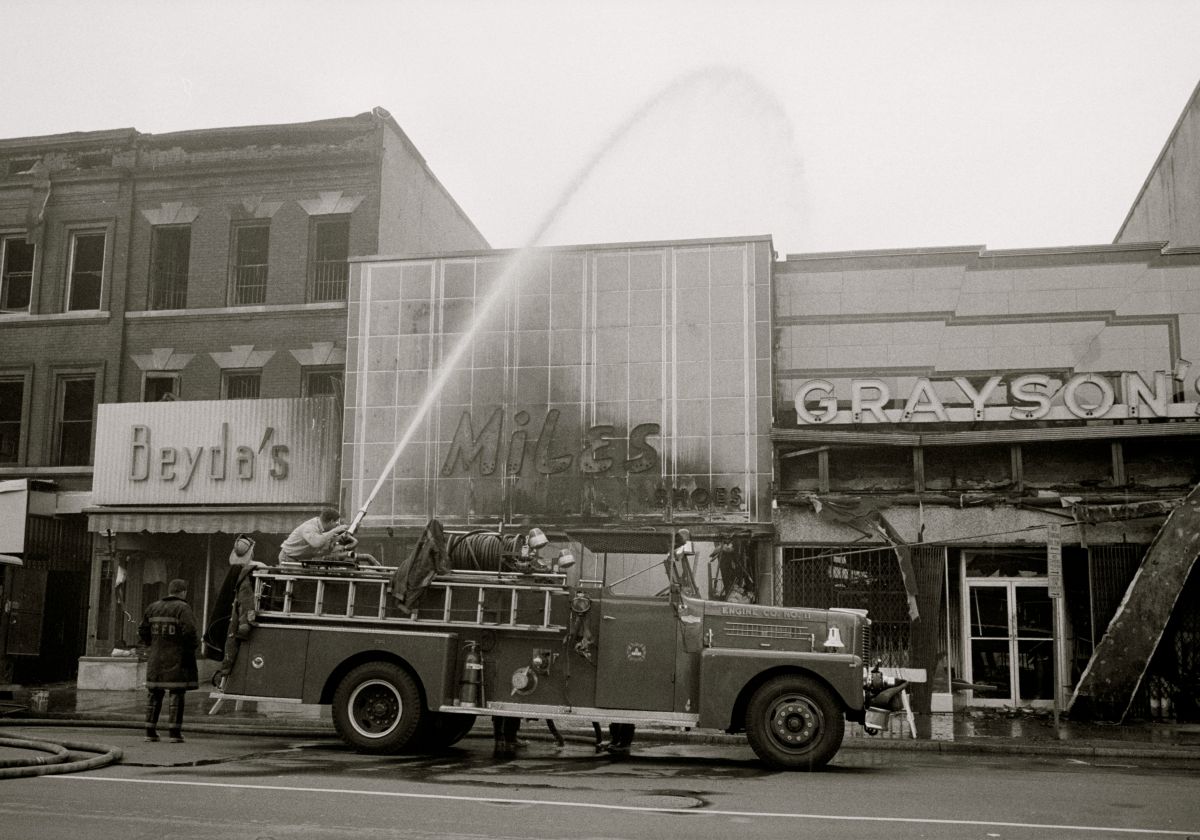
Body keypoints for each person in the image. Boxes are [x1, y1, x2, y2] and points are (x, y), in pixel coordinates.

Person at [138, 578, 199, 743]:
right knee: (177, 694)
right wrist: (192, 647)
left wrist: (153, 644)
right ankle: (174, 733)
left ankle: (150, 732)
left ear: (170, 591)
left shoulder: (153, 607)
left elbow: (143, 630)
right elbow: (190, 631)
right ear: (183, 591)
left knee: (154, 694)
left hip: (156, 658)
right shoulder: (183, 608)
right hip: (177, 658)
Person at [278, 508, 357, 564]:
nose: (337, 526)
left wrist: (337, 538)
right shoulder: (310, 527)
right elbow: (317, 543)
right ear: (331, 521)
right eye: (336, 523)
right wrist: (335, 530)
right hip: (288, 558)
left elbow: (323, 543)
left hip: (298, 559)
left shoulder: (321, 530)